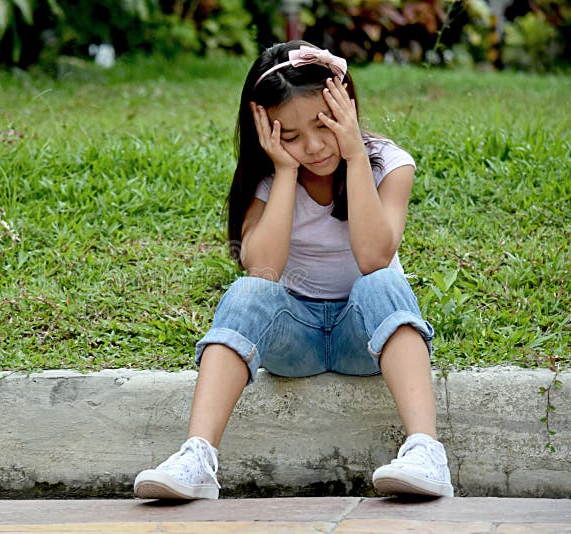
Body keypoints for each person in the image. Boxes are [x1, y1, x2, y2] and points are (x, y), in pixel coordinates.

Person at [133, 40, 453, 500]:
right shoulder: (268, 178)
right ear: (268, 134)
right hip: (294, 338)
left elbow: (374, 257)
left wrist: (355, 156)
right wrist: (284, 173)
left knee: (383, 282)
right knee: (246, 291)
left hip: (363, 335)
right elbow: (262, 267)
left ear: (346, 105)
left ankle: (426, 451)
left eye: (323, 125)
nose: (314, 146)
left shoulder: (388, 164)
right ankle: (197, 457)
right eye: (291, 136)